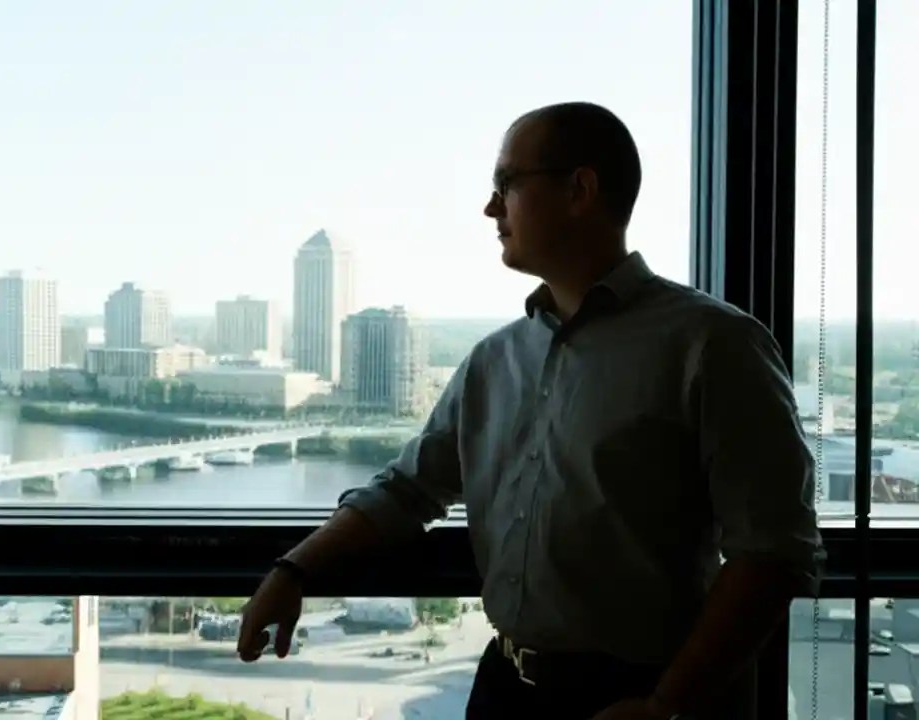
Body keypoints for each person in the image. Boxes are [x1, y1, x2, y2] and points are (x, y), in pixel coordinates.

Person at [235, 102, 824, 720]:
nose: (491, 209)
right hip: (505, 690)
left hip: (640, 697)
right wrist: (294, 570)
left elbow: (774, 551)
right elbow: (406, 490)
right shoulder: (495, 360)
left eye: (507, 184)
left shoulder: (714, 345)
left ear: (579, 190)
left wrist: (665, 705)